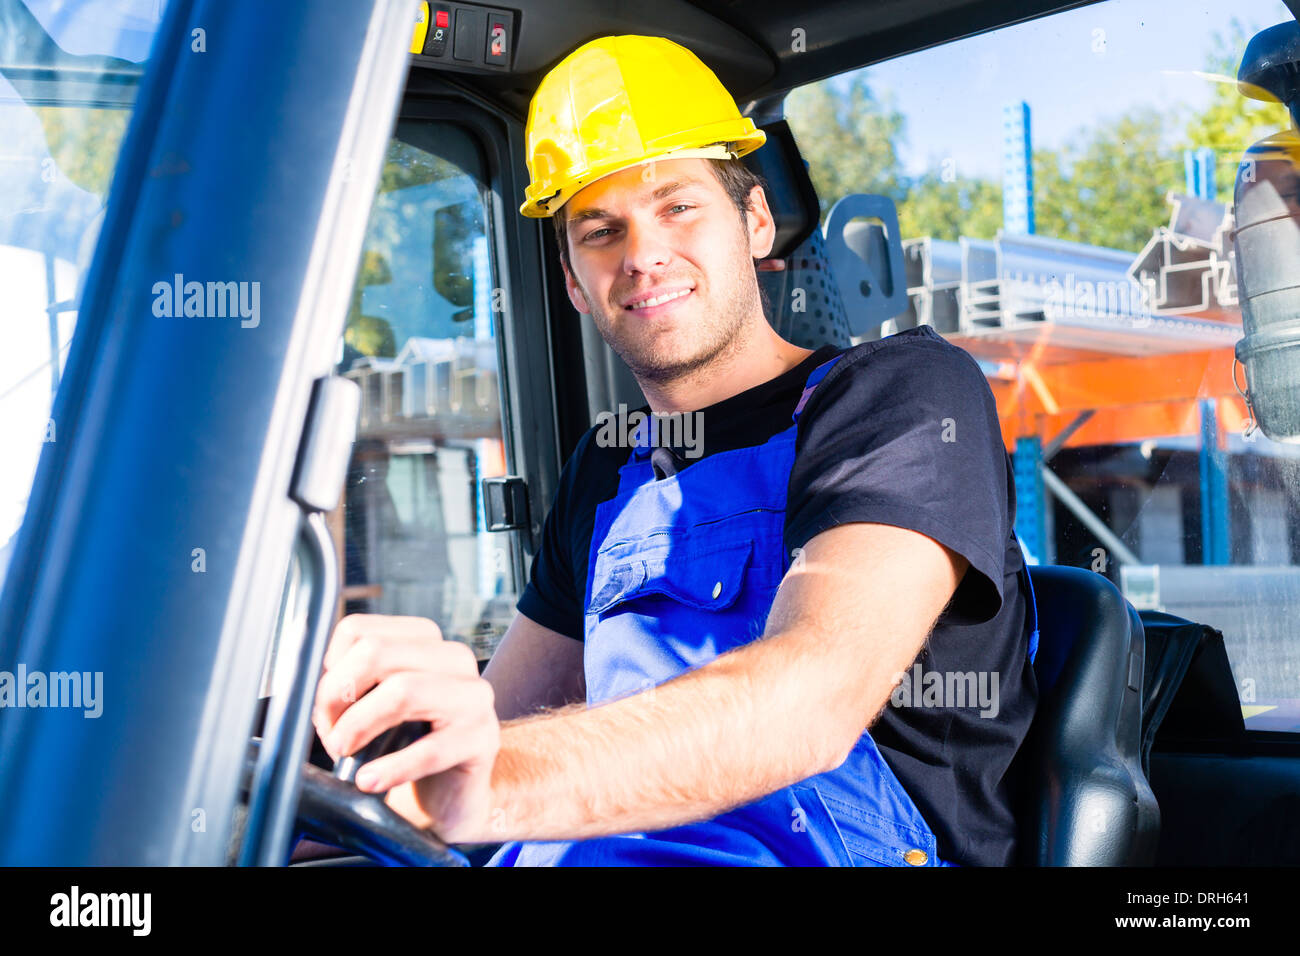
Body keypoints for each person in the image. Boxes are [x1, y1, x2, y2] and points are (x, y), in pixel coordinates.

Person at [311, 34, 1038, 866]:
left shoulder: (898, 396)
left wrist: (493, 779)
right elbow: (501, 720)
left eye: (678, 206)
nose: (643, 254)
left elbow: (813, 697)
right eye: (600, 229)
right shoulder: (606, 468)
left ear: (755, 220)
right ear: (574, 284)